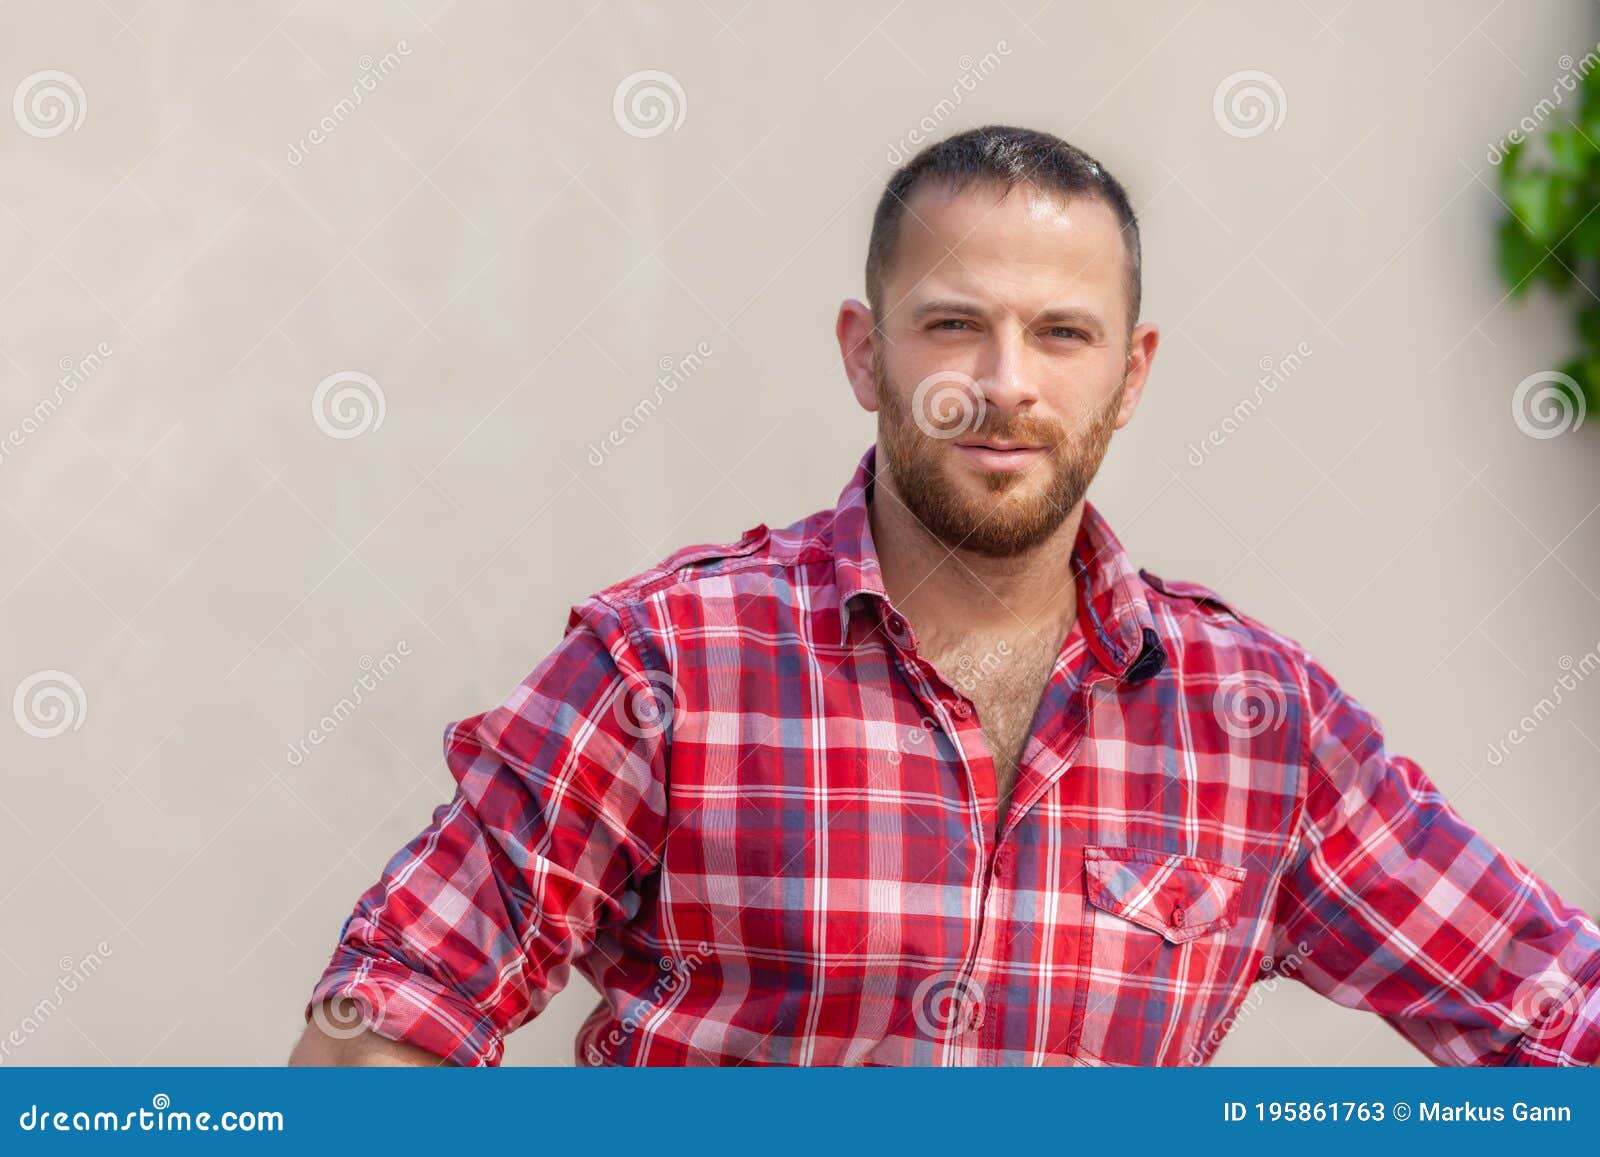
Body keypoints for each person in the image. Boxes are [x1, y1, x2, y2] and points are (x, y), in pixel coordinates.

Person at [289, 124, 1600, 1067]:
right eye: (954, 323)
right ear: (867, 354)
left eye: (1063, 333)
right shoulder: (664, 667)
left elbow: (1552, 1010)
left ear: (1131, 376)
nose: (1006, 381)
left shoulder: (1262, 726)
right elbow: (390, 1016)